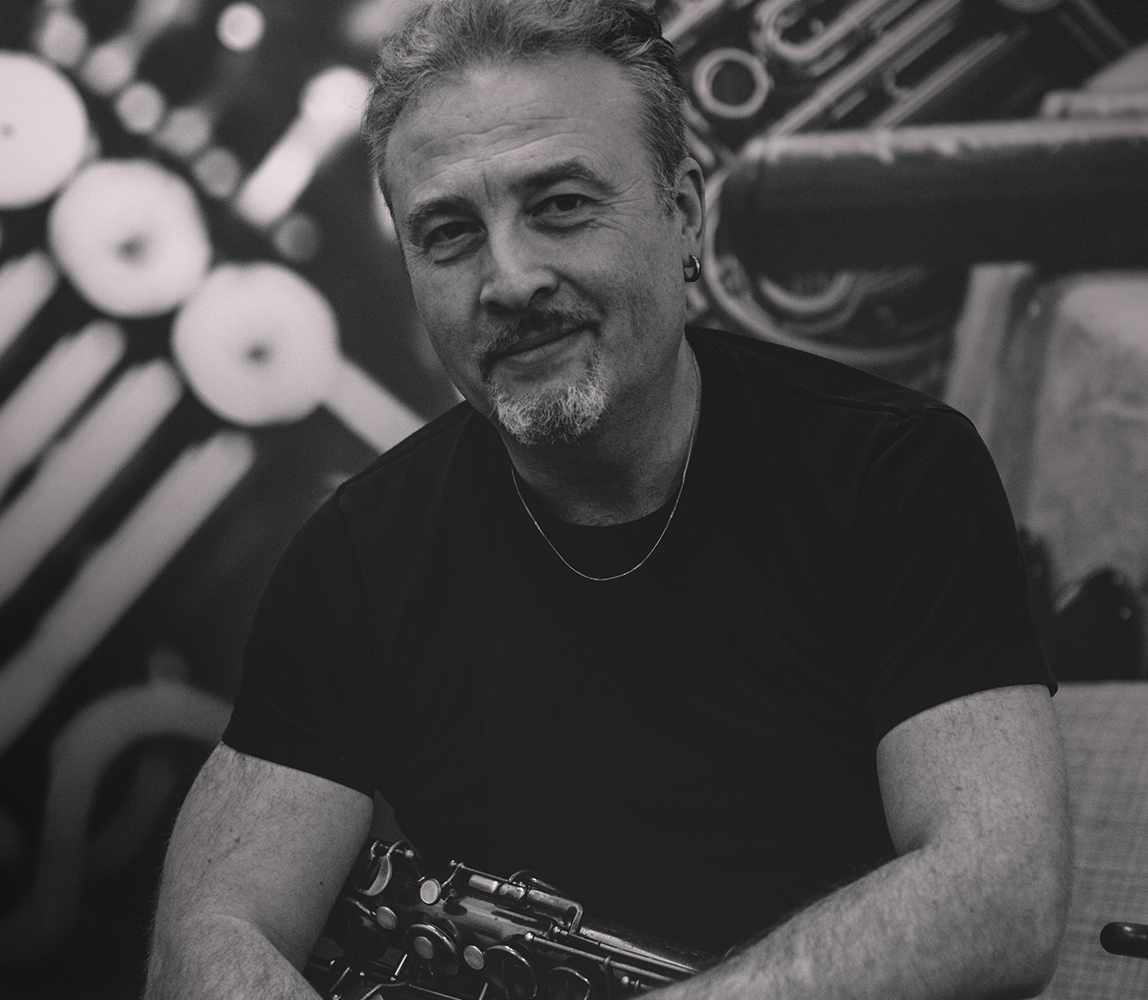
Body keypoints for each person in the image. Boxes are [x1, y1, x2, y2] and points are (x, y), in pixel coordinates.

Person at [144, 1, 1070, 997]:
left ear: (684, 217)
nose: (508, 280)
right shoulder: (355, 555)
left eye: (560, 205)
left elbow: (999, 892)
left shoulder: (896, 470)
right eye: (449, 234)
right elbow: (210, 931)